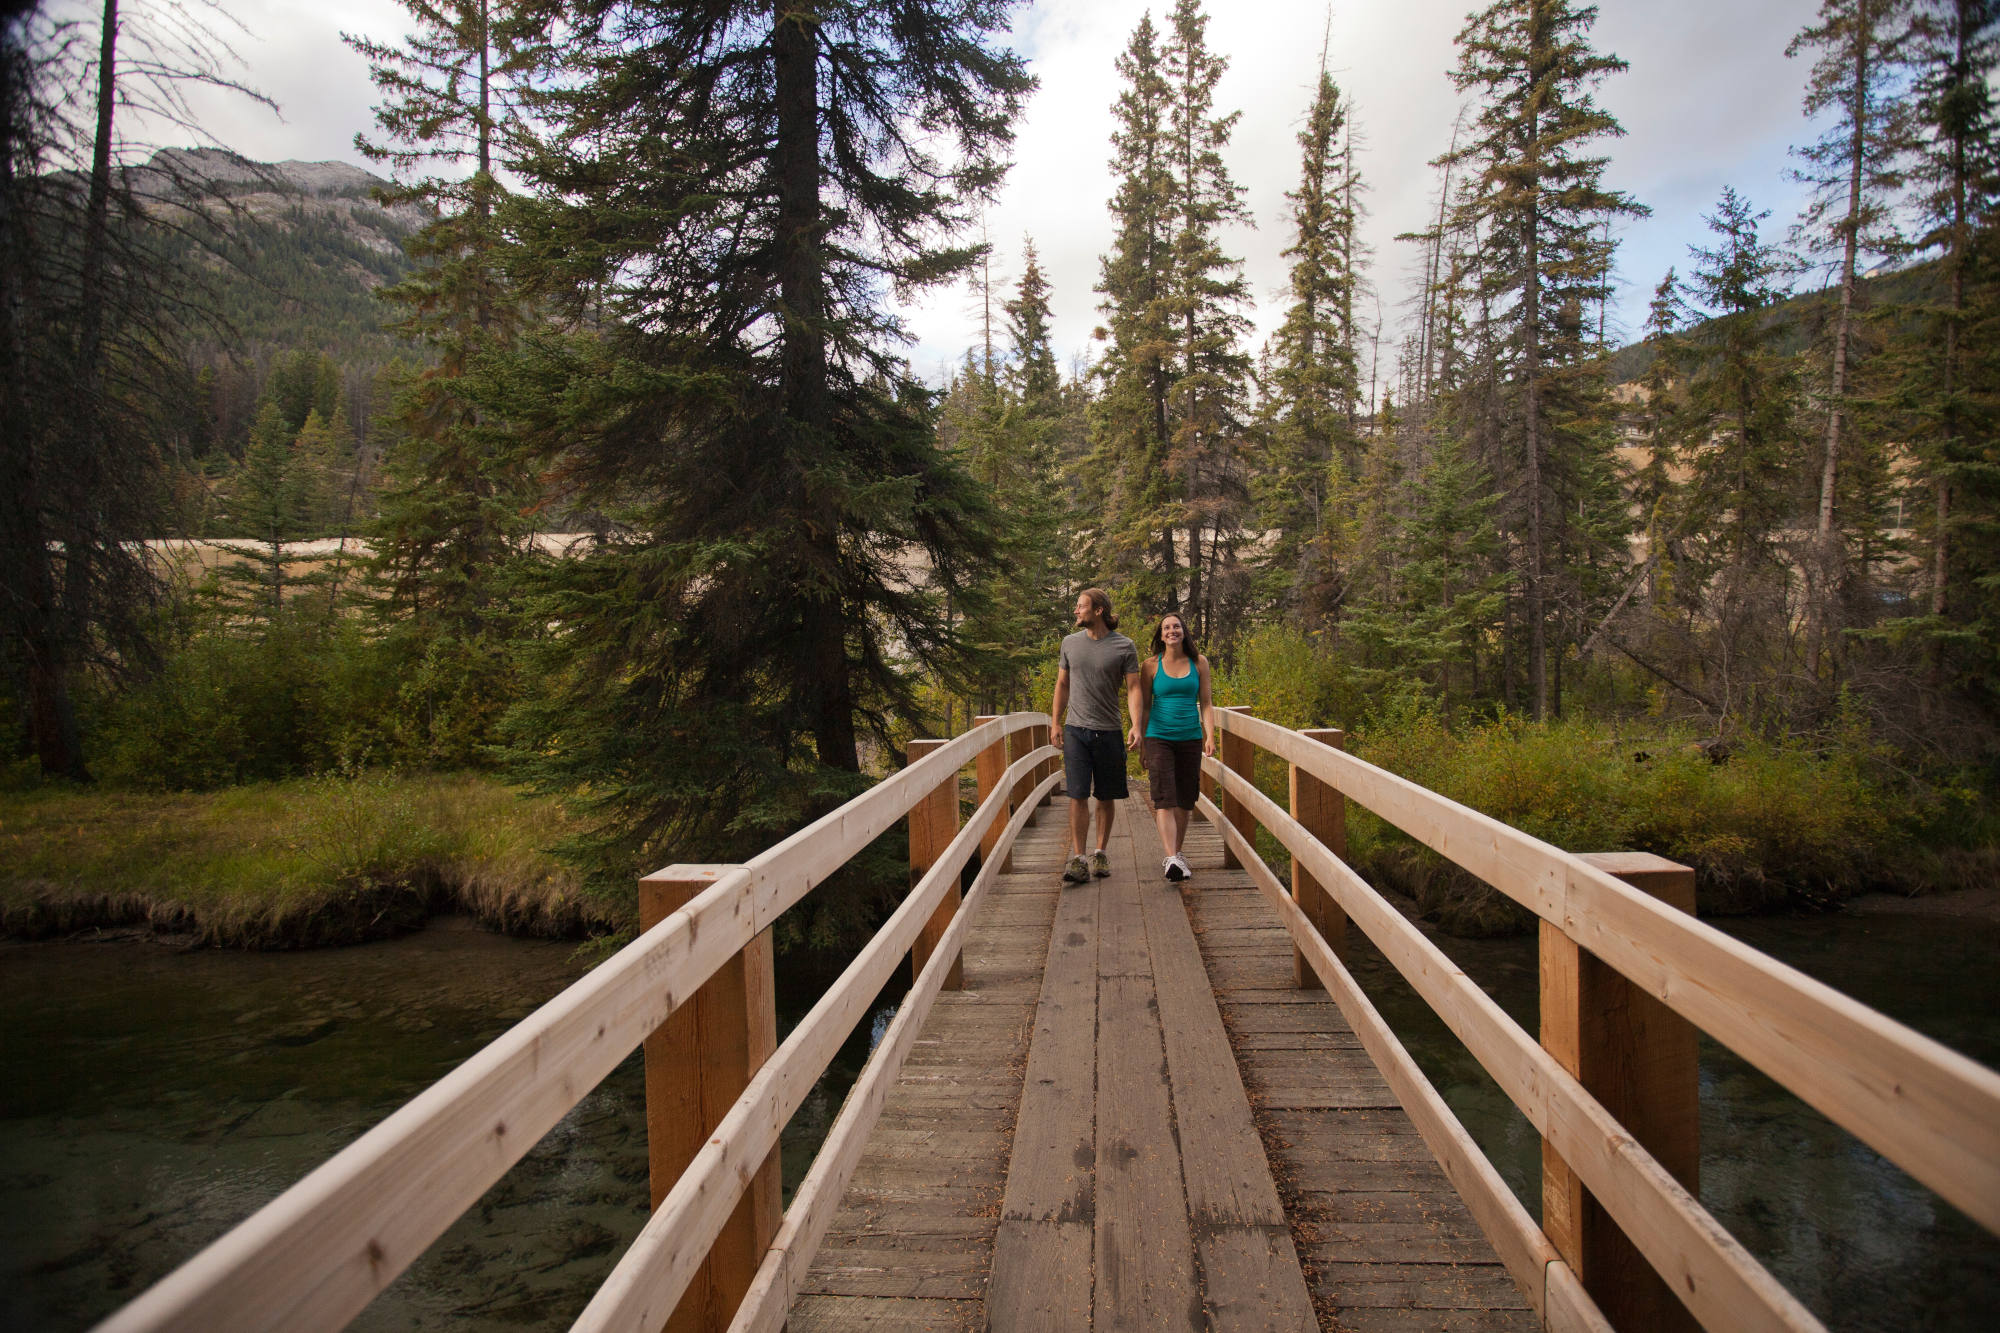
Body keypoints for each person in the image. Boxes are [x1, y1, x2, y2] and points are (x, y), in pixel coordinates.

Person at [1050, 588, 1142, 884]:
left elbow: (1134, 689)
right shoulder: (1069, 643)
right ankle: (1078, 859)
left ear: (1098, 610)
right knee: (1076, 794)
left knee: (1105, 795)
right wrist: (1055, 723)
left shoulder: (1124, 646)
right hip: (1076, 730)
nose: (1076, 611)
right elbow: (1062, 684)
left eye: (1081, 606)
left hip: (1110, 731)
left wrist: (1136, 724)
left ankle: (1100, 852)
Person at [1132, 611, 1214, 882]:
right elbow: (1144, 707)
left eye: (1176, 626)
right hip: (1159, 736)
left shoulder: (1199, 663)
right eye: (1166, 627)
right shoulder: (1150, 666)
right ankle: (1170, 857)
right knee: (1165, 797)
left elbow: (1207, 704)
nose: (1172, 631)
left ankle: (1176, 855)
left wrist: (1210, 736)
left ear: (1184, 631)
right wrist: (1142, 741)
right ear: (1161, 634)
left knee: (1185, 799)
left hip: (1190, 737)